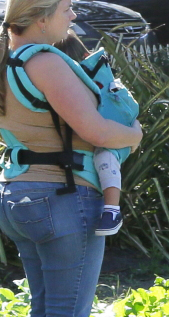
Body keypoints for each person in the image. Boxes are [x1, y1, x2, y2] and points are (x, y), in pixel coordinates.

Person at [0, 0, 143, 317]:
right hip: (60, 198)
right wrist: (134, 134)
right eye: (68, 8)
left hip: (17, 194)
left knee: (43, 316)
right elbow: (94, 129)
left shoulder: (6, 57)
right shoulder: (45, 60)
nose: (73, 16)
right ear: (41, 16)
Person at [53, 33, 132, 236]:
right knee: (105, 157)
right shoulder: (97, 72)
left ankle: (112, 210)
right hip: (121, 123)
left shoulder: (80, 78)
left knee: (105, 157)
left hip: (115, 128)